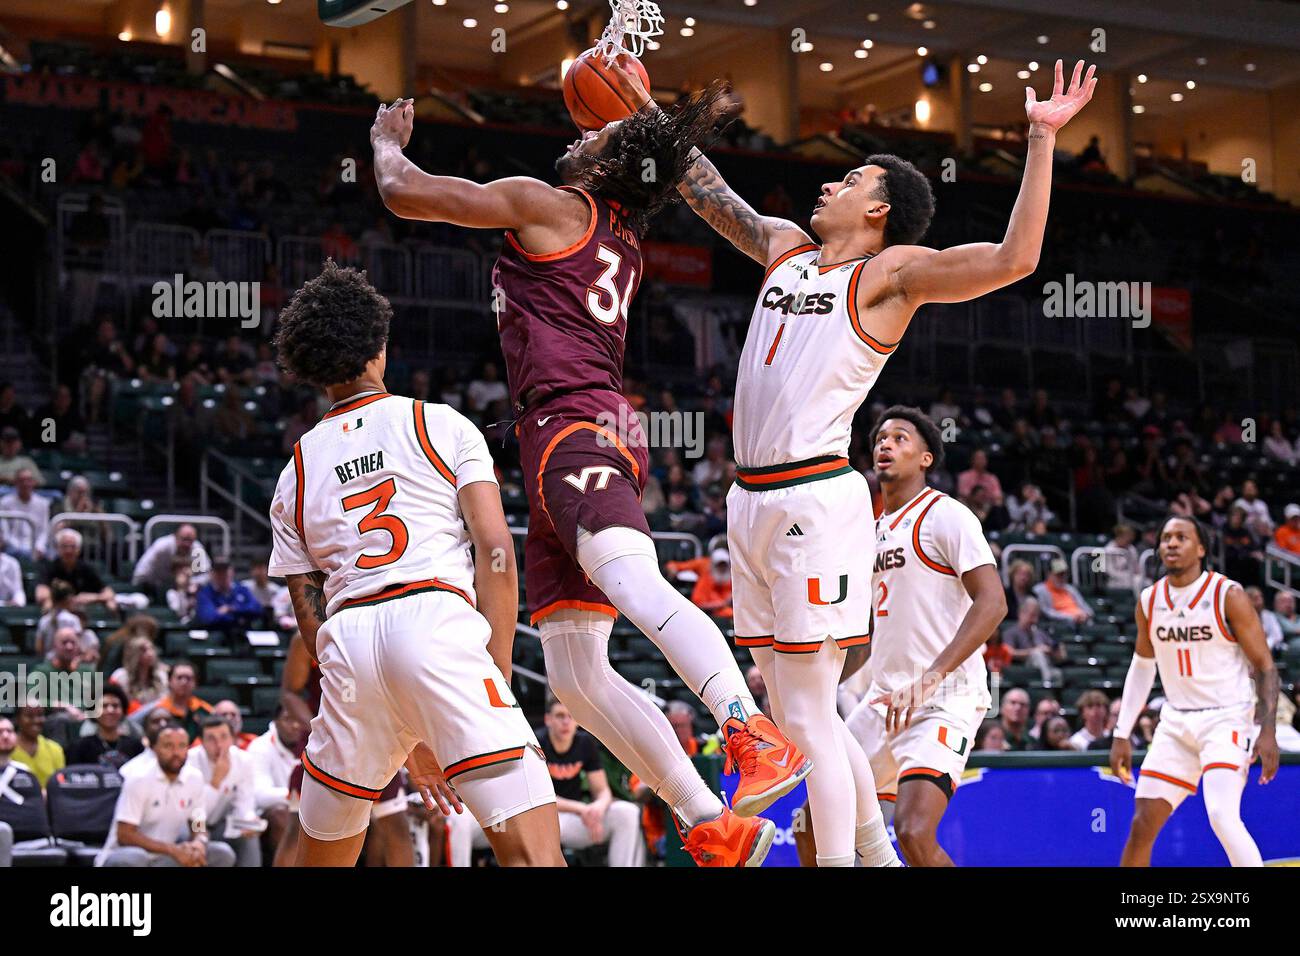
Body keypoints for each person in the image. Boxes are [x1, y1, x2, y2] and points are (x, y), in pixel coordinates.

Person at [669, 56, 1096, 864]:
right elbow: (704, 190)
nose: (828, 185)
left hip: (812, 495)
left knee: (802, 718)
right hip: (748, 499)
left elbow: (1014, 259)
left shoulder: (889, 275)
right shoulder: (785, 248)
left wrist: (1039, 140)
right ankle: (877, 857)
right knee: (804, 714)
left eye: (849, 177)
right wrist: (645, 111)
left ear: (879, 208)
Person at [372, 78, 800, 865]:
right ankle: (709, 817)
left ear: (606, 170)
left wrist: (386, 143)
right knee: (573, 674)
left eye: (599, 135)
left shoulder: (550, 205)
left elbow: (406, 195)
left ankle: (749, 729)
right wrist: (640, 109)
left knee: (637, 584)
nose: (580, 134)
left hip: (576, 427)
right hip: (560, 437)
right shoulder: (618, 228)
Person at [267, 262, 561, 868]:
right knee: (531, 857)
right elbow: (497, 552)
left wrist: (387, 711)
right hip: (433, 619)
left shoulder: (293, 471)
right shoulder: (438, 422)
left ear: (314, 369)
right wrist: (494, 670)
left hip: (346, 637)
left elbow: (306, 603)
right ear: (380, 345)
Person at [845, 408, 1005, 867]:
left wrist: (932, 677)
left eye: (900, 438)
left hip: (944, 697)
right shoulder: (870, 533)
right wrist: (814, 693)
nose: (885, 445)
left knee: (913, 833)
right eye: (880, 438)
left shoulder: (947, 516)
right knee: (812, 825)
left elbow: (993, 603)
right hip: (884, 699)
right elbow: (867, 635)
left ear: (926, 458)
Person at [1110, 515, 1279, 867]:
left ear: (1200, 548)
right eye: (1166, 537)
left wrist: (1268, 730)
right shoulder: (1149, 600)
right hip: (1176, 721)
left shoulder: (1227, 594)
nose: (1172, 543)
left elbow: (1264, 665)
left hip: (1227, 717)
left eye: (1181, 537)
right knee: (1142, 824)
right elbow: (1142, 666)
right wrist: (1121, 732)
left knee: (1221, 816)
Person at [448, 696, 646, 867]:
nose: (566, 722)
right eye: (560, 716)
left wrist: (597, 808)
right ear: (548, 720)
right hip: (533, 816)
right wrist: (581, 808)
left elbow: (602, 790)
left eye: (570, 717)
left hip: (569, 820)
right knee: (460, 818)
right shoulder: (534, 742)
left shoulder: (585, 743)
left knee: (627, 813)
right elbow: (532, 795)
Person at [95, 723, 236, 867]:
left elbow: (197, 821)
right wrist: (172, 850)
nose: (176, 752)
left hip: (166, 857)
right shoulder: (139, 779)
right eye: (168, 746)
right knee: (136, 858)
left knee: (221, 853)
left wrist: (199, 841)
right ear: (154, 749)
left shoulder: (194, 778)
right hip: (125, 856)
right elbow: (125, 835)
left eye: (182, 746)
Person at [188, 715, 261, 866]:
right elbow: (196, 813)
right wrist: (216, 781)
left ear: (233, 738)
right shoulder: (190, 762)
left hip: (222, 824)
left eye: (223, 737)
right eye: (211, 739)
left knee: (249, 833)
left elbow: (245, 802)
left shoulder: (244, 760)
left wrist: (248, 820)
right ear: (201, 742)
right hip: (194, 827)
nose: (219, 744)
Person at [34, 528, 116, 614]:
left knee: (111, 604)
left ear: (79, 550)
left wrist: (93, 598)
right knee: (47, 604)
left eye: (72, 547)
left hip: (83, 612)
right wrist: (67, 600)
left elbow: (109, 593)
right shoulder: (49, 567)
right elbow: (41, 594)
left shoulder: (86, 568)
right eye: (64, 546)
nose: (68, 551)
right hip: (58, 611)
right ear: (57, 548)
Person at [131, 661, 212, 739]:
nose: (184, 682)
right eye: (179, 677)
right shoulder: (154, 709)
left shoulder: (205, 710)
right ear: (169, 681)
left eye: (188, 678)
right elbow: (130, 723)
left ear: (195, 683)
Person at [68, 684, 143, 769]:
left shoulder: (135, 746)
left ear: (123, 710)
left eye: (115, 706)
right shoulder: (80, 747)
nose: (110, 710)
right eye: (104, 706)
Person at [131, 523, 211, 598]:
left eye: (190, 540)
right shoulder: (162, 546)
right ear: (175, 537)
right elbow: (142, 570)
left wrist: (193, 581)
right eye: (184, 539)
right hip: (157, 586)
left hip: (186, 589)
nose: (187, 544)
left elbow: (207, 574)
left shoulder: (197, 549)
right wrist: (139, 587)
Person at [1002, 597, 1064, 682]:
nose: (1034, 620)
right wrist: (1033, 651)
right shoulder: (1011, 633)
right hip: (1023, 668)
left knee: (1058, 673)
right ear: (1021, 613)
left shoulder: (1039, 633)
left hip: (1047, 666)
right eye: (1032, 615)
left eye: (1036, 616)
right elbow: (1009, 652)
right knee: (1037, 654)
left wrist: (1055, 650)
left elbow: (1060, 655)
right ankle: (1047, 683)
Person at [194, 557, 263, 631]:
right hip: (217, 635)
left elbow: (257, 609)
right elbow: (208, 617)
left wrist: (230, 609)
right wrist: (240, 617)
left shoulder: (241, 589)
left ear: (232, 572)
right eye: (218, 571)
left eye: (225, 570)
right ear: (212, 574)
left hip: (242, 634)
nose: (222, 574)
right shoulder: (205, 593)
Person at [664, 547, 734, 618]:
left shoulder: (733, 576)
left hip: (724, 611)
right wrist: (672, 568)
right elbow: (676, 565)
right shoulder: (704, 567)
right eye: (719, 565)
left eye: (724, 565)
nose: (721, 568)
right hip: (706, 609)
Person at [0, 467, 50, 560]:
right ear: (15, 483)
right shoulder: (5, 502)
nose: (25, 484)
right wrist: (19, 548)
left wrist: (39, 547)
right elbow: (5, 531)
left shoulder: (43, 503)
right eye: (21, 480)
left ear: (33, 482)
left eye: (28, 480)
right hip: (12, 547)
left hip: (36, 546)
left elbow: (44, 531)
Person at [10, 705, 65, 788]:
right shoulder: (6, 749)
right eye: (29, 716)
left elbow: (61, 785)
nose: (36, 720)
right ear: (18, 719)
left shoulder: (55, 749)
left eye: (40, 715)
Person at [109, 635, 168, 711]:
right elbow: (115, 701)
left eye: (151, 649)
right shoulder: (120, 676)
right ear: (134, 654)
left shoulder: (161, 675)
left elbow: (164, 701)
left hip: (155, 717)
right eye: (144, 650)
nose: (150, 653)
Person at [1032, 558, 1094, 623]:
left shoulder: (1070, 589)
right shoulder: (1040, 590)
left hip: (1082, 621)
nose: (1062, 577)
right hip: (1061, 624)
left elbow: (1085, 607)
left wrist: (1086, 615)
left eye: (1064, 574)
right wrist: (1071, 617)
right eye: (1058, 574)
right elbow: (1046, 612)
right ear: (1049, 574)